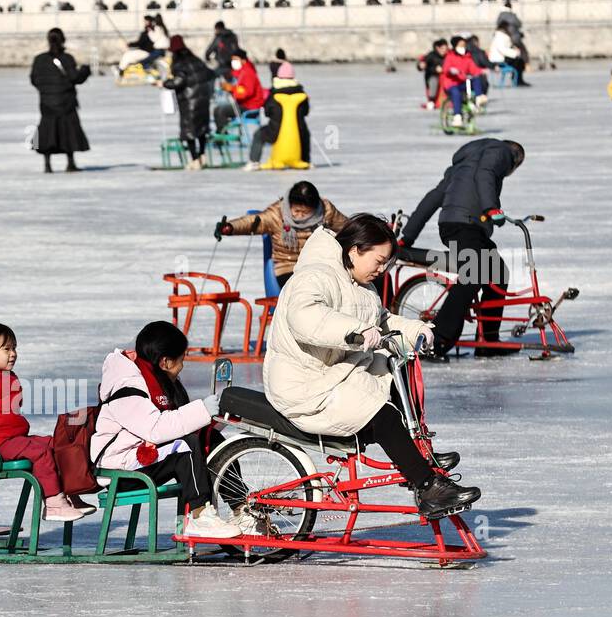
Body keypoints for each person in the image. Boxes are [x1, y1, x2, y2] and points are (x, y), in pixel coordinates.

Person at [263, 214, 480, 520]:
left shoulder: (362, 285)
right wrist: (353, 332)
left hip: (334, 374)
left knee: (398, 373)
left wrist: (416, 330)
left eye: (387, 263)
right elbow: (306, 318)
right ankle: (427, 486)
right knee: (381, 412)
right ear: (355, 250)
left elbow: (382, 320)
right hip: (305, 387)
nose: (382, 269)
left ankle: (417, 450)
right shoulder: (314, 277)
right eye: (379, 261)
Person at [93, 322, 242, 540]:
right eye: (181, 360)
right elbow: (155, 429)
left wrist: (216, 416)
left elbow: (180, 422)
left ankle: (241, 508)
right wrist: (201, 409)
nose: (182, 366)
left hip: (145, 458)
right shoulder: (127, 386)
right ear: (165, 362)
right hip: (120, 469)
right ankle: (199, 517)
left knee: (212, 439)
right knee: (186, 446)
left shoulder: (160, 379)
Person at [0, 323, 93, 523]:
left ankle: (69, 493)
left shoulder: (2, 376)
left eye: (14, 348)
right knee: (39, 452)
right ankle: (53, 503)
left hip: (10, 440)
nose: (13, 353)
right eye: (6, 349)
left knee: (55, 445)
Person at [399, 138, 527, 358]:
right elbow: (485, 174)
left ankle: (488, 342)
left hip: (459, 226)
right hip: (464, 225)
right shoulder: (501, 152)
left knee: (497, 273)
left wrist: (408, 236)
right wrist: (491, 208)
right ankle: (436, 341)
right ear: (514, 162)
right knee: (474, 274)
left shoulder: (463, 164)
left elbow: (434, 197)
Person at [215, 181, 348, 290]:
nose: (300, 216)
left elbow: (347, 227)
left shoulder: (326, 210)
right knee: (309, 289)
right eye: (296, 211)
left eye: (306, 212)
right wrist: (230, 227)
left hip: (319, 265)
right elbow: (253, 222)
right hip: (288, 266)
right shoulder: (277, 213)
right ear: (289, 204)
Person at [31, 28, 91, 174]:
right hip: (66, 102)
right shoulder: (66, 58)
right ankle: (70, 164)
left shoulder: (39, 59)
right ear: (63, 40)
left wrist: (46, 91)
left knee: (47, 132)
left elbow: (34, 79)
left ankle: (47, 165)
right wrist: (85, 71)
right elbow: (75, 78)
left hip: (47, 103)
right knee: (68, 132)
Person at [161, 35, 216, 170]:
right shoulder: (195, 59)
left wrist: (164, 83)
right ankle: (202, 155)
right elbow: (210, 73)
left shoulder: (179, 63)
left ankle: (194, 159)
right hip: (203, 99)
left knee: (189, 131)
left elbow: (179, 81)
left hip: (189, 101)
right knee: (202, 129)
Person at [245, 61, 309, 171]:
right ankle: (305, 159)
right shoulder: (301, 93)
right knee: (305, 135)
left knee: (259, 135)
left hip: (276, 130)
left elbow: (267, 112)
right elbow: (305, 112)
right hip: (297, 130)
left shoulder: (275, 93)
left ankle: (254, 161)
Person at [440, 36, 487, 128]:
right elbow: (445, 69)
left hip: (463, 82)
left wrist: (482, 71)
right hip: (452, 83)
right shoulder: (450, 56)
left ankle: (479, 97)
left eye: (464, 45)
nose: (463, 47)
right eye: (461, 45)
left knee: (476, 79)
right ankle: (457, 116)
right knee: (456, 93)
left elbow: (474, 69)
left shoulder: (467, 57)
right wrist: (451, 70)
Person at [495, 1, 530, 86]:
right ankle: (519, 78)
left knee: (519, 58)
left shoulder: (500, 16)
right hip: (514, 39)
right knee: (522, 56)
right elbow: (519, 24)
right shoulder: (511, 16)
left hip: (510, 43)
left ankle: (518, 78)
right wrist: (515, 54)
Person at [225, 49, 267, 116]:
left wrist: (232, 89)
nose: (233, 62)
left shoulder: (248, 72)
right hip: (245, 104)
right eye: (232, 60)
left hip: (251, 106)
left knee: (220, 111)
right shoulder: (241, 71)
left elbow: (246, 92)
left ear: (243, 60)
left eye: (236, 60)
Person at [417, 39, 449, 110]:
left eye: (445, 48)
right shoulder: (431, 56)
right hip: (434, 75)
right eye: (442, 48)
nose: (444, 50)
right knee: (434, 81)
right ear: (437, 48)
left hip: (446, 76)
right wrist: (434, 69)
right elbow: (423, 64)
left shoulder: (449, 55)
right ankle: (431, 100)